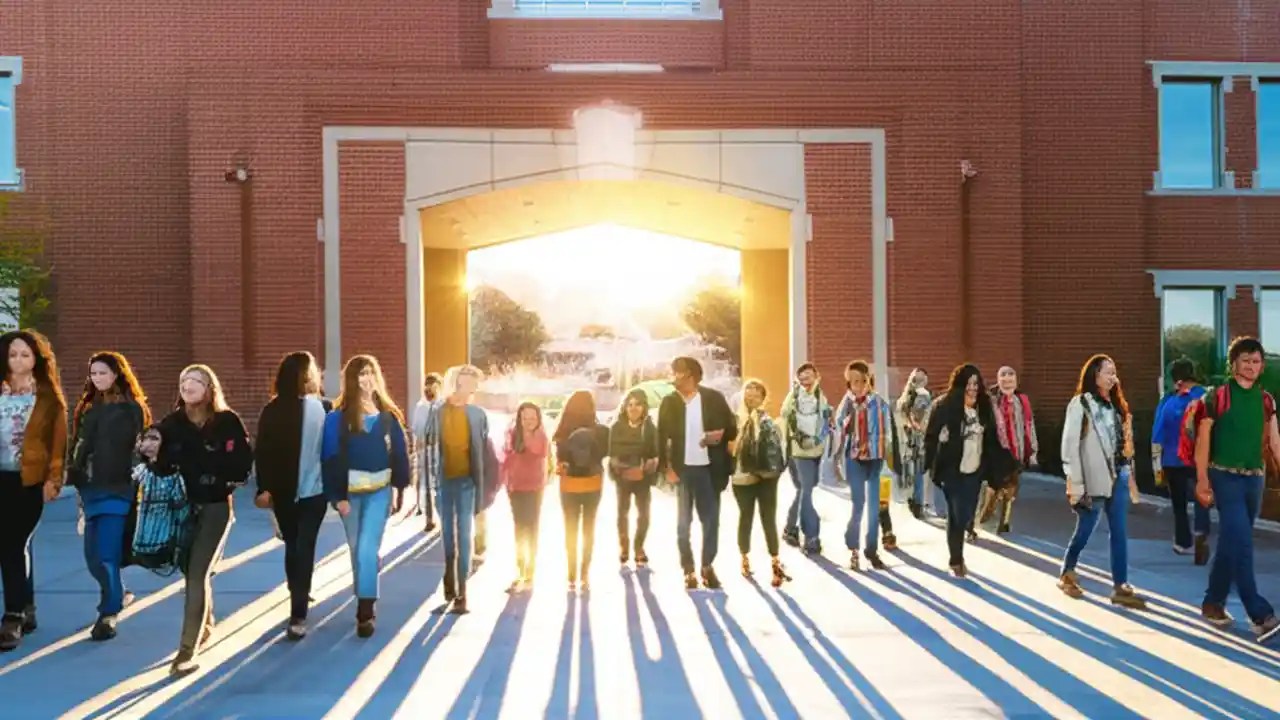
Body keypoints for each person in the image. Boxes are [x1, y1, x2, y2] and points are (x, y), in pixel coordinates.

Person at [160, 364, 254, 674]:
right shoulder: (171, 424)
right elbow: (157, 461)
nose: (188, 385)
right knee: (192, 569)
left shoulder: (226, 422)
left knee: (197, 574)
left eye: (196, 381)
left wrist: (223, 481)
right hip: (180, 508)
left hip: (215, 506)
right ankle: (206, 622)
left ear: (209, 388)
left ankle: (185, 651)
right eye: (184, 380)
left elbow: (242, 461)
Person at [1191, 337, 1279, 642]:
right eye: (1246, 361)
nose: (1252, 367)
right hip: (1223, 477)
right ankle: (1259, 614)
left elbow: (1273, 441)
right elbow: (1203, 442)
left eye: (1256, 362)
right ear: (1234, 364)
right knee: (1241, 542)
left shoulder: (1266, 400)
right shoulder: (1217, 397)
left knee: (1232, 542)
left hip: (1254, 478)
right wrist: (1202, 480)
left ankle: (1213, 602)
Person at [321, 355, 410, 636]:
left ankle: (365, 610)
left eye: (371, 372)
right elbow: (329, 458)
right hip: (350, 494)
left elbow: (400, 456)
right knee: (358, 549)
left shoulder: (388, 416)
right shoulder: (337, 418)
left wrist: (399, 489)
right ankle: (365, 588)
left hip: (379, 493)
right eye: (360, 374)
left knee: (367, 549)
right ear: (352, 379)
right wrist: (337, 497)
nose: (366, 378)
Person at [66, 352, 149, 641]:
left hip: (119, 489)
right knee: (91, 557)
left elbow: (141, 447)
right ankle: (119, 594)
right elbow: (79, 444)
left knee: (106, 554)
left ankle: (108, 613)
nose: (97, 378)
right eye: (93, 374)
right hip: (90, 489)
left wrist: (136, 478)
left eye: (102, 373)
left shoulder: (132, 408)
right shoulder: (88, 408)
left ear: (117, 374)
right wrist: (73, 473)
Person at [1057, 354, 1146, 609]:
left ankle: (1120, 585)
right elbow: (1070, 445)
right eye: (1107, 371)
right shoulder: (1081, 404)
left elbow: (1124, 443)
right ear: (1094, 375)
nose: (1112, 376)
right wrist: (1076, 482)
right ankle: (1068, 570)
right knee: (1086, 527)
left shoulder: (1117, 406)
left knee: (1119, 531)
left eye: (1114, 371)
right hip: (1093, 477)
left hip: (1119, 475)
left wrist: (1130, 475)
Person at [255, 351, 329, 639]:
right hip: (289, 491)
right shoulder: (275, 410)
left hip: (314, 491)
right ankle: (297, 591)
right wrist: (265, 488)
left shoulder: (323, 407)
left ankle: (298, 610)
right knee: (295, 544)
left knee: (302, 545)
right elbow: (263, 452)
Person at [0, 330, 66, 653]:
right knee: (13, 545)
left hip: (29, 481)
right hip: (0, 478)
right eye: (12, 354)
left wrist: (54, 479)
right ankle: (26, 608)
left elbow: (58, 441)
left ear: (36, 359)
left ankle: (11, 617)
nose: (18, 361)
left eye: (25, 354)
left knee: (12, 544)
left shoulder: (48, 397)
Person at [923, 364, 1012, 577]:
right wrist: (938, 448)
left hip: (974, 469)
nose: (972, 388)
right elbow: (931, 436)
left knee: (966, 514)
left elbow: (992, 438)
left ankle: (957, 554)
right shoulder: (945, 406)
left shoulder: (983, 407)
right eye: (968, 384)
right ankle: (956, 560)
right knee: (956, 512)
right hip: (951, 469)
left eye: (975, 384)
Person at [657, 356, 737, 590]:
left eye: (678, 372)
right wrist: (667, 468)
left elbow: (731, 428)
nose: (674, 376)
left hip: (710, 471)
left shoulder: (713, 398)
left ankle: (707, 566)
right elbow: (661, 438)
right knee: (683, 524)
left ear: (691, 375)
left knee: (711, 522)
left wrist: (718, 436)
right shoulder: (669, 402)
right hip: (682, 472)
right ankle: (688, 570)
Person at [426, 364, 491, 615]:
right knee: (448, 537)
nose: (471, 387)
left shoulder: (477, 414)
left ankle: (463, 591)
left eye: (474, 383)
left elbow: (483, 451)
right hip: (444, 481)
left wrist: (484, 487)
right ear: (456, 383)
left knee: (464, 534)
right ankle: (449, 580)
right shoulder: (437, 411)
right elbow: (428, 443)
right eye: (466, 382)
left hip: (467, 482)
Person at [834, 360, 900, 571]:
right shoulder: (847, 403)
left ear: (868, 380)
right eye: (853, 382)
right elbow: (837, 428)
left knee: (875, 508)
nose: (858, 385)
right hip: (854, 459)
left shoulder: (880, 402)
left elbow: (889, 432)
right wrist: (849, 419)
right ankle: (853, 547)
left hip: (876, 460)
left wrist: (892, 461)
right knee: (858, 505)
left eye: (861, 381)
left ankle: (871, 551)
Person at [730, 379, 790, 587]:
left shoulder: (768, 422)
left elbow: (778, 451)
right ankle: (744, 558)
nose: (752, 397)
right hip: (742, 477)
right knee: (746, 516)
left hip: (765, 478)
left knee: (768, 518)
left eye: (756, 394)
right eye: (748, 393)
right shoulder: (735, 420)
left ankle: (775, 560)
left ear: (763, 398)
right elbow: (730, 449)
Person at [1151, 356, 1210, 562]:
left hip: (1172, 459)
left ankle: (1183, 542)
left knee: (1179, 504)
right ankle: (1201, 533)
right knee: (1202, 498)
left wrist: (1157, 465)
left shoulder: (1168, 401)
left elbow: (1157, 434)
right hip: (1199, 459)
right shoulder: (1205, 397)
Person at [555, 390, 610, 591]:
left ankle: (571, 574)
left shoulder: (562, 431)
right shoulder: (601, 431)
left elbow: (559, 461)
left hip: (569, 485)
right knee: (589, 528)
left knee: (570, 528)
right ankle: (585, 574)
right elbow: (605, 454)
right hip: (593, 484)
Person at [977, 366, 1039, 534]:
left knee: (1011, 488)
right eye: (1003, 379)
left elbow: (1029, 425)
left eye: (1011, 379)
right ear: (998, 381)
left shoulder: (1022, 401)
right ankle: (982, 519)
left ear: (1016, 382)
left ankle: (1004, 522)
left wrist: (1033, 451)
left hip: (1016, 452)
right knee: (994, 487)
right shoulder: (991, 400)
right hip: (997, 452)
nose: (1007, 382)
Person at [780, 363, 832, 552]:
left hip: (816, 451)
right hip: (799, 451)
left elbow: (825, 421)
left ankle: (790, 528)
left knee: (804, 490)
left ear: (816, 376)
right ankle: (811, 537)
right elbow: (784, 416)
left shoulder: (820, 396)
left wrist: (821, 438)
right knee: (807, 491)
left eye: (809, 376)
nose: (806, 381)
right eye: (802, 378)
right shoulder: (793, 396)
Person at [502, 401, 549, 593]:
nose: (528, 421)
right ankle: (521, 570)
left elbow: (538, 450)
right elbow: (506, 457)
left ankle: (530, 572)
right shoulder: (513, 434)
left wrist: (525, 434)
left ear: (538, 419)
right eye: (524, 418)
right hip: (515, 487)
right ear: (519, 418)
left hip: (534, 488)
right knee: (519, 528)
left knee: (531, 528)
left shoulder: (541, 436)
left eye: (532, 418)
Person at [609, 389, 659, 568]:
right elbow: (612, 456)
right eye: (630, 404)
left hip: (643, 479)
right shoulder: (616, 427)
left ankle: (639, 547)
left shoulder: (650, 428)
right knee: (622, 513)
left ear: (644, 407)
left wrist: (648, 465)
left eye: (637, 404)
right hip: (623, 478)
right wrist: (625, 469)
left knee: (644, 514)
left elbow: (655, 454)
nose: (633, 408)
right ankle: (624, 546)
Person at [895, 368, 936, 520]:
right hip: (918, 439)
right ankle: (918, 504)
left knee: (910, 472)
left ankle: (912, 500)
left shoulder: (904, 397)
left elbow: (900, 418)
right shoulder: (924, 395)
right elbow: (922, 420)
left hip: (906, 440)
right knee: (919, 472)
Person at [412, 372, 443, 533]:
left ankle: (442, 516)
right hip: (425, 450)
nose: (430, 389)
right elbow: (416, 428)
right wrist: (417, 443)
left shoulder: (443, 406)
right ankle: (428, 518)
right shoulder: (421, 407)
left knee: (439, 486)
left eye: (434, 385)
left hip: (439, 450)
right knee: (425, 486)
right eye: (428, 385)